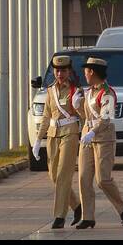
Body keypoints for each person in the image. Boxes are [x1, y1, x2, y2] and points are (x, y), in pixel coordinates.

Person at [76, 56, 123, 230]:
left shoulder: (107, 93)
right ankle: (88, 217)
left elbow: (106, 117)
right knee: (84, 178)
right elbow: (85, 116)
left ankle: (122, 208)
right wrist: (77, 105)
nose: (84, 74)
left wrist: (93, 132)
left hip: (103, 139)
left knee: (103, 180)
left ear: (92, 72)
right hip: (87, 138)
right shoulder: (89, 91)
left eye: (86, 71)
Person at [32, 54, 84, 228]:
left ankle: (59, 216)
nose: (60, 74)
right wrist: (39, 139)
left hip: (70, 133)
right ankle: (77, 206)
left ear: (69, 71)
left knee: (63, 175)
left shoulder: (76, 90)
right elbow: (46, 116)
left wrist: (78, 106)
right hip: (53, 134)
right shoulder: (50, 90)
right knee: (54, 175)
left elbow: (83, 116)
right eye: (57, 71)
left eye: (63, 70)